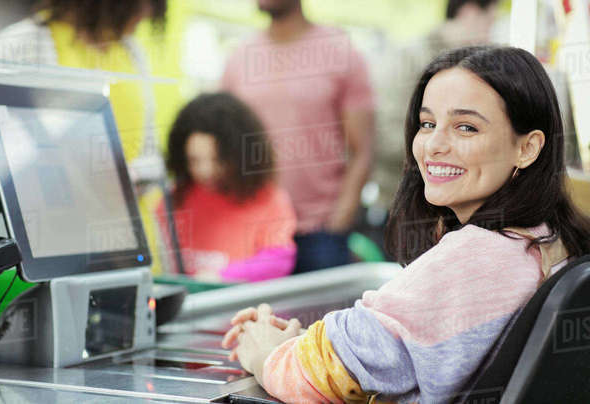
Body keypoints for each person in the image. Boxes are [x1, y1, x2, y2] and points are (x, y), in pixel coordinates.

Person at [221, 46, 590, 403]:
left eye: (465, 127)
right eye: (428, 123)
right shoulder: (545, 239)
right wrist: (304, 341)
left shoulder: (479, 256)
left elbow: (314, 377)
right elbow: (388, 353)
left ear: (527, 148)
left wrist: (262, 350)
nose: (433, 145)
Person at [0, 0, 185, 274]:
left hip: (128, 238)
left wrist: (129, 175)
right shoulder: (22, 44)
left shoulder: (131, 51)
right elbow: (7, 152)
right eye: (143, 5)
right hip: (60, 241)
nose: (147, 14)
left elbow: (150, 152)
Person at [222, 0, 374, 273]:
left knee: (322, 317)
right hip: (257, 238)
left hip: (320, 234)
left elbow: (362, 150)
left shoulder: (340, 51)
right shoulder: (240, 57)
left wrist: (340, 218)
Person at [372, 0, 499, 215]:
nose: (490, 34)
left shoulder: (472, 63)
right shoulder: (411, 59)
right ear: (470, 13)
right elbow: (387, 135)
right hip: (404, 200)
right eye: (490, 22)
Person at [156, 92, 297, 282]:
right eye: (194, 160)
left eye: (217, 160)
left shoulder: (269, 198)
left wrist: (220, 277)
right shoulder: (174, 199)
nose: (205, 171)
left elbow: (278, 261)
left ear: (239, 156)